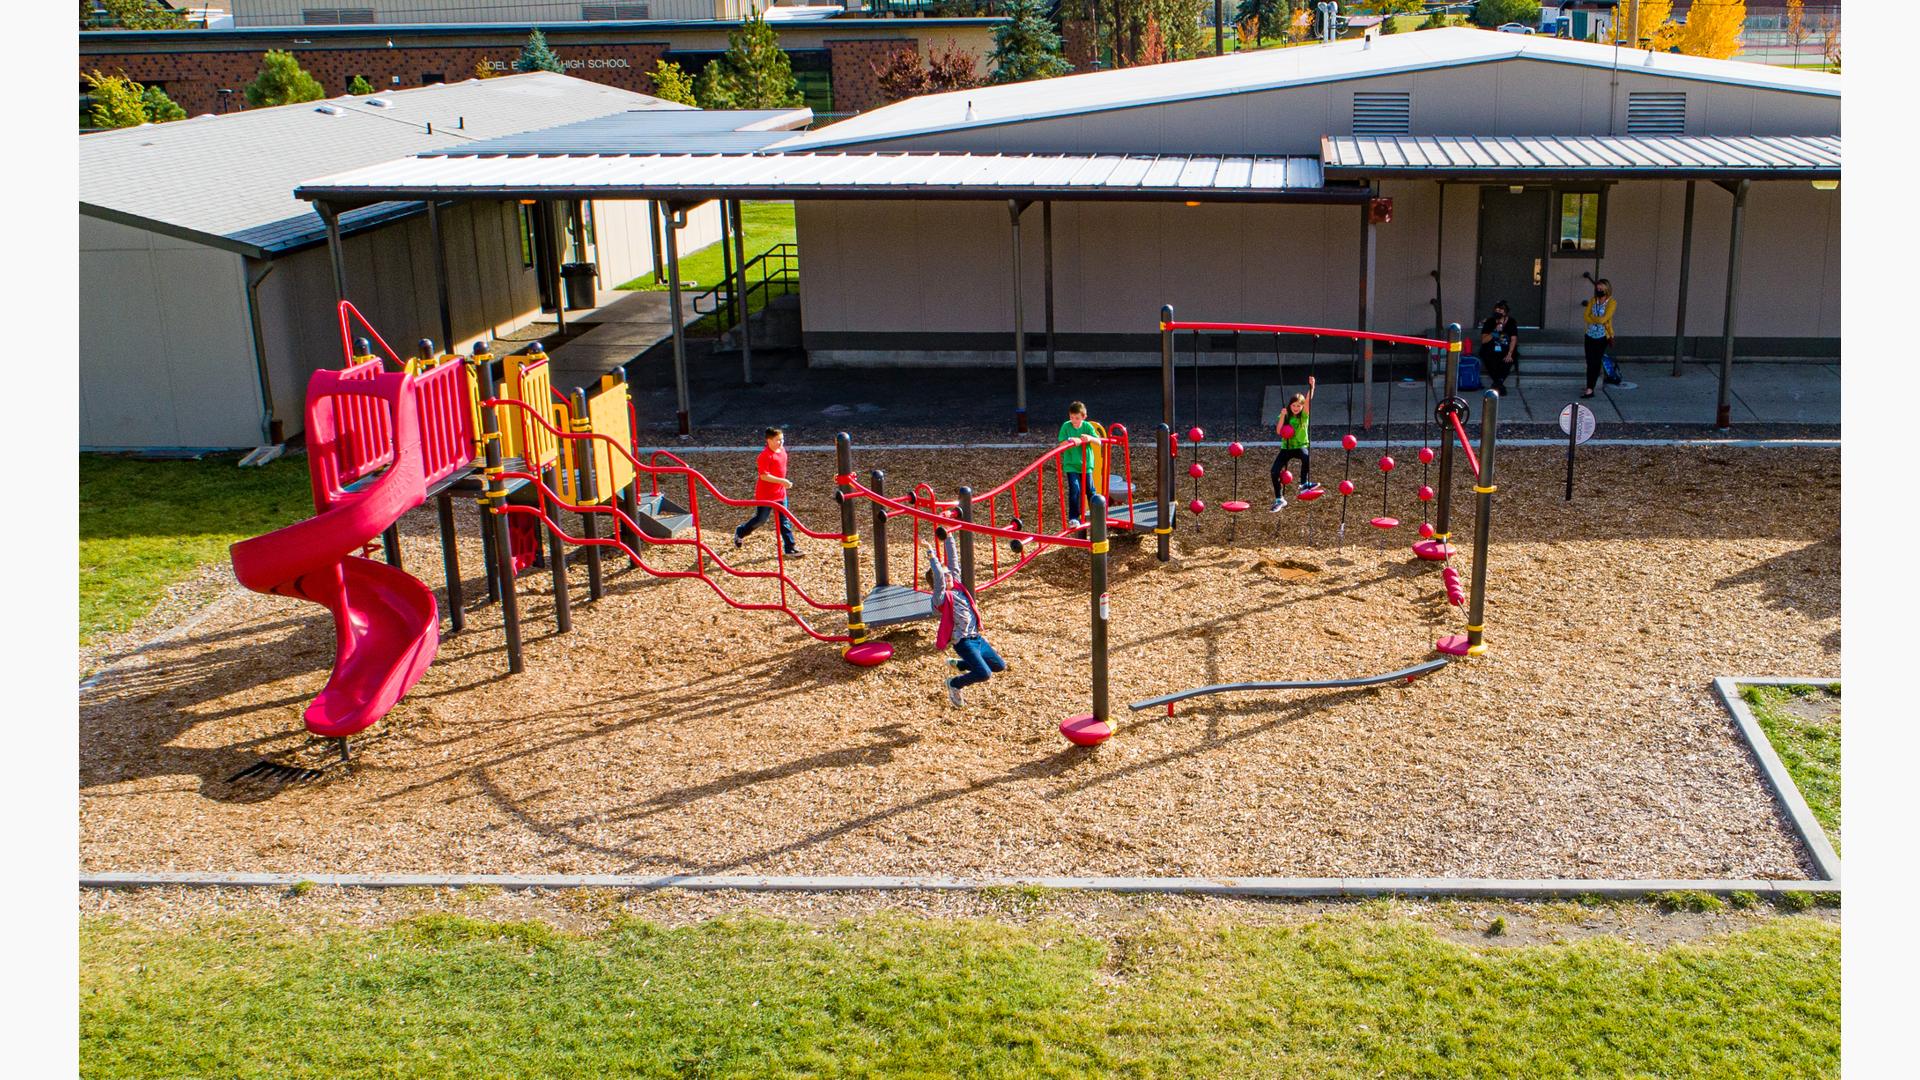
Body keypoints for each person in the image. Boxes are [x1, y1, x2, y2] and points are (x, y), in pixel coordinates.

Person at [928, 525, 1004, 707]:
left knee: (999, 666)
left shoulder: (958, 587)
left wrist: (948, 536)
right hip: (963, 642)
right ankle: (954, 684)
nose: (948, 578)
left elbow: (953, 562)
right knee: (984, 674)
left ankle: (961, 665)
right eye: (945, 577)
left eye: (949, 576)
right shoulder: (940, 599)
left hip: (977, 638)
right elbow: (939, 577)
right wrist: (931, 555)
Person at [732, 426, 802, 557]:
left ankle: (790, 547)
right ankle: (741, 531)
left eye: (782, 439)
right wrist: (782, 481)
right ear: (768, 440)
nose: (781, 442)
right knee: (760, 520)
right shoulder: (764, 456)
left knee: (784, 521)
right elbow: (764, 476)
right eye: (777, 440)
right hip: (766, 495)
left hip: (780, 493)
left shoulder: (782, 451)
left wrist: (782, 483)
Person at [1269, 375, 1317, 512]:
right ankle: (1279, 498)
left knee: (1306, 457)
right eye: (1294, 405)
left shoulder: (1304, 416)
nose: (1296, 408)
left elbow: (1308, 401)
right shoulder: (1286, 415)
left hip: (1300, 446)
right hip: (1287, 447)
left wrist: (1312, 387)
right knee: (1274, 472)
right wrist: (1283, 415)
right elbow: (1278, 431)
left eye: (1299, 406)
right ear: (1290, 405)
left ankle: (1303, 483)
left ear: (1302, 407)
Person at [1057, 401, 1100, 528]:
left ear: (1083, 416)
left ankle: (1096, 514)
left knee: (1090, 490)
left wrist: (1090, 438)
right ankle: (1074, 517)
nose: (1073, 420)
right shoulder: (1066, 426)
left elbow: (1099, 442)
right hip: (1071, 465)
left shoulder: (1087, 426)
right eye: (1071, 417)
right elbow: (1061, 444)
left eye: (1076, 418)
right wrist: (1071, 440)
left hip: (1086, 465)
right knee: (1075, 489)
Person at [1581, 278, 1617, 398]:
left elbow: (1604, 319)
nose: (1599, 290)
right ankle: (1589, 385)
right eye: (1598, 288)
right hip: (1590, 334)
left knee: (1595, 362)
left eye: (1601, 288)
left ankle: (1590, 388)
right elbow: (1586, 316)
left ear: (1607, 289)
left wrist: (1594, 318)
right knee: (1589, 361)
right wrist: (1595, 319)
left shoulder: (1611, 303)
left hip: (1602, 336)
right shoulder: (1593, 301)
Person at [1479, 300, 1520, 395]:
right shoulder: (1489, 322)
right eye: (1496, 310)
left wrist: (1510, 353)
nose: (1498, 312)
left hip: (1506, 349)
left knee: (1508, 360)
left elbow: (1514, 339)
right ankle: (1499, 384)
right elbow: (1484, 340)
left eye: (1500, 310)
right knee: (1487, 357)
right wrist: (1494, 332)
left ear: (1505, 312)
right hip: (1491, 349)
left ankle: (1497, 384)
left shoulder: (1511, 322)